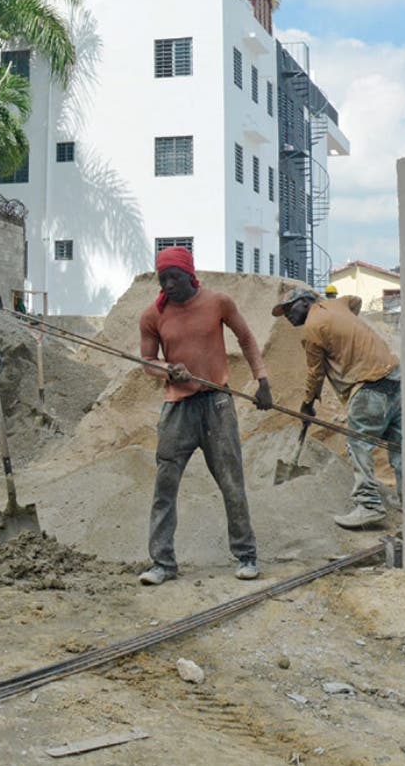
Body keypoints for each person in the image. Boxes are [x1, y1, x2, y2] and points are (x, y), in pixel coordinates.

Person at [137, 246, 275, 585]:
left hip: (217, 405)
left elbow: (246, 339)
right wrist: (169, 369)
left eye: (175, 277)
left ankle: (246, 555)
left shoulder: (218, 303)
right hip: (177, 409)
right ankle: (162, 563)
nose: (168, 285)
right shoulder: (152, 316)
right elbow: (147, 363)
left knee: (231, 482)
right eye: (163, 278)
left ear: (190, 275)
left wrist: (262, 380)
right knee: (165, 488)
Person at [272, 287, 402, 529]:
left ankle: (369, 505)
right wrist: (346, 327)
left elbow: (315, 372)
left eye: (290, 309)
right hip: (395, 378)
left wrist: (307, 404)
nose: (287, 316)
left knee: (358, 445)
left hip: (367, 385)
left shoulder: (312, 329)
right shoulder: (339, 305)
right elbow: (357, 300)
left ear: (305, 302)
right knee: (399, 445)